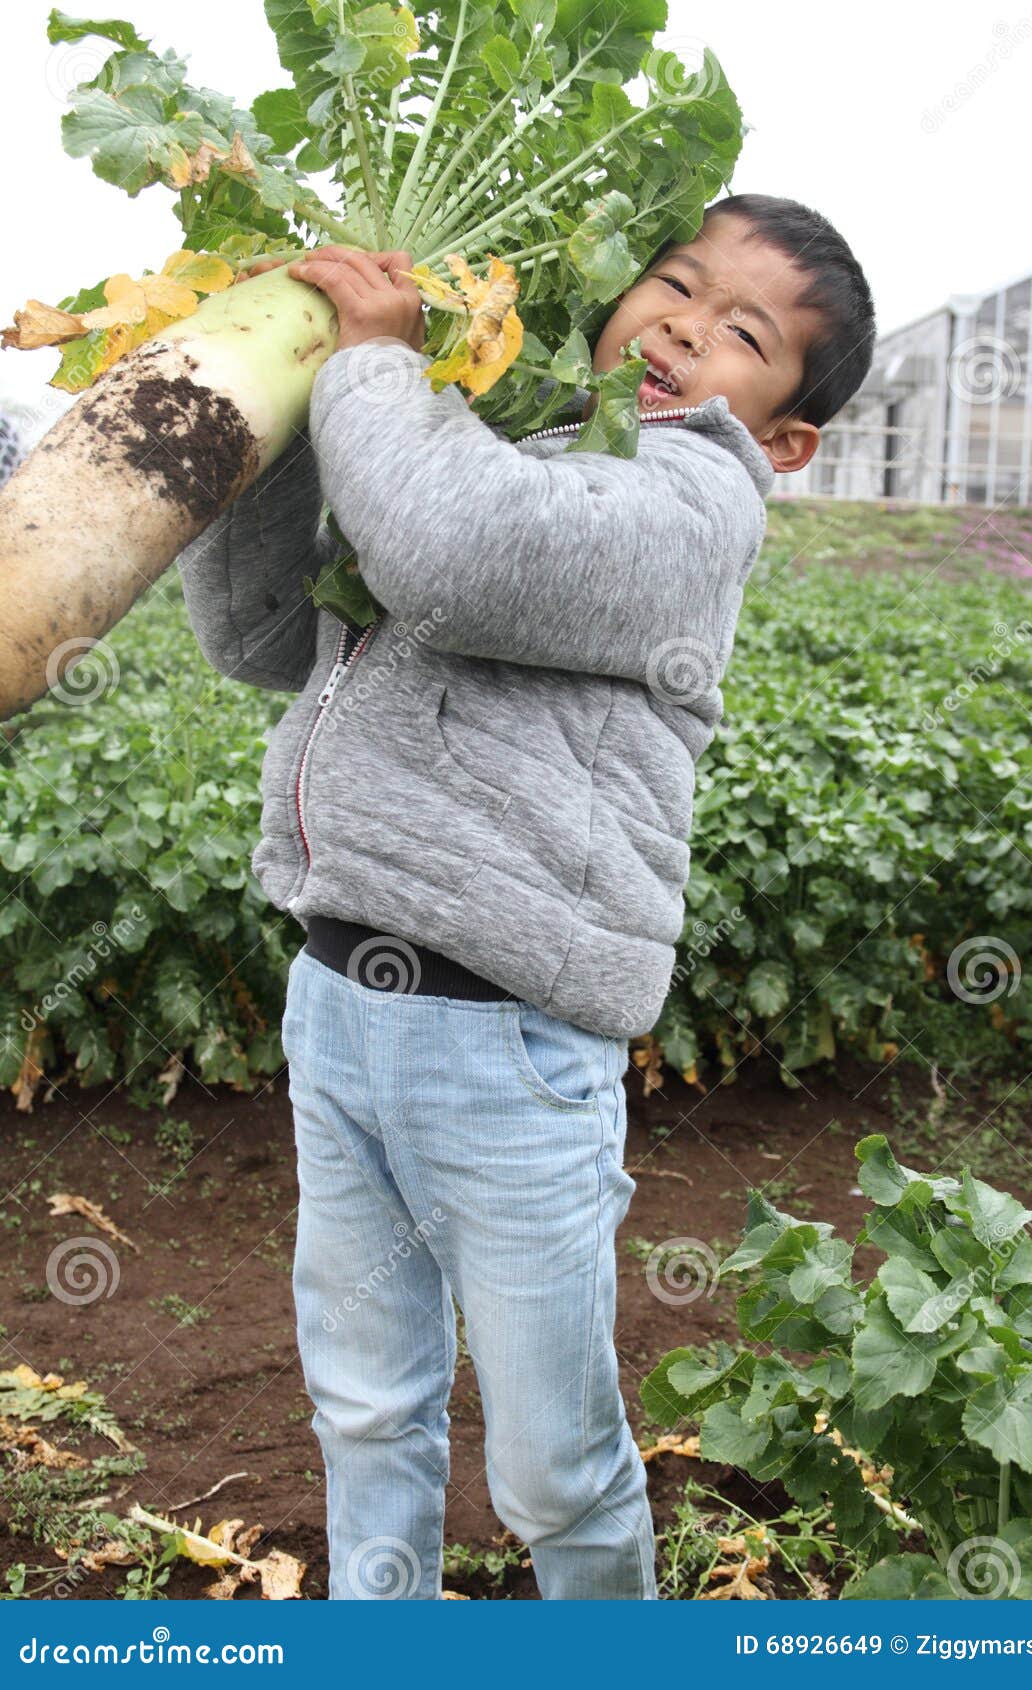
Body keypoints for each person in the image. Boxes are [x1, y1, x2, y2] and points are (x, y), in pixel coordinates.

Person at [176, 193, 876, 1600]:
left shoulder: (684, 505)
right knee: (369, 1405)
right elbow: (256, 634)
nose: (683, 323)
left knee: (553, 1462)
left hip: (506, 1046)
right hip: (337, 1001)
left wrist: (375, 363)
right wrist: (268, 402)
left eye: (743, 331)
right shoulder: (486, 434)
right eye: (674, 283)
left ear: (784, 437)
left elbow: (460, 553)